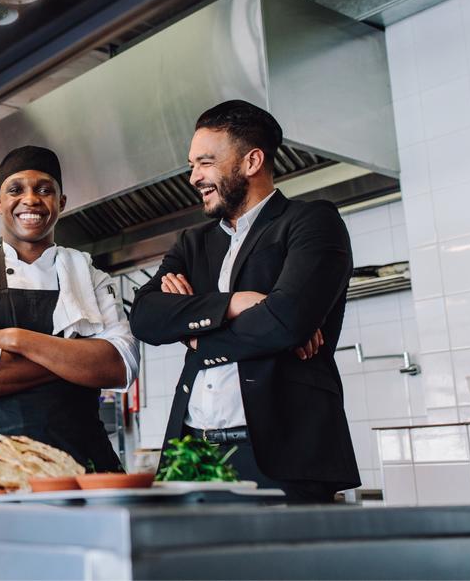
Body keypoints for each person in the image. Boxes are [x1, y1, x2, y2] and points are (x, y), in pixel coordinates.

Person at [129, 100, 359, 502]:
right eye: (192, 165)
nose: (193, 177)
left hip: (281, 454)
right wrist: (233, 304)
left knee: (278, 568)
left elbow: (286, 320)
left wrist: (196, 336)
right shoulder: (193, 243)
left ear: (251, 161)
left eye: (205, 163)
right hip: (194, 452)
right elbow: (146, 318)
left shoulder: (311, 221)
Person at [0, 145, 139, 479]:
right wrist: (78, 358)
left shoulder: (91, 277)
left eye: (45, 189)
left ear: (61, 202)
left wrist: (16, 339)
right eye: (16, 189)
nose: (30, 199)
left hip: (83, 468)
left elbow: (120, 366)